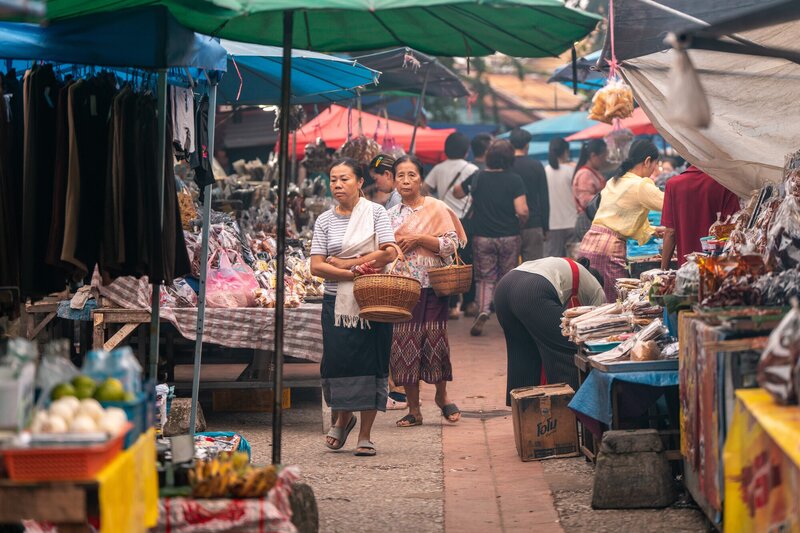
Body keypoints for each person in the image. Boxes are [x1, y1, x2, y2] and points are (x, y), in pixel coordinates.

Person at [310, 158, 398, 457]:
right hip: (337, 302)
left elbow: (388, 253)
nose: (337, 185)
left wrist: (350, 264)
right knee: (339, 363)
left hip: (373, 300)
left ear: (360, 182)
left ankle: (365, 434)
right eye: (333, 179)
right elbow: (316, 266)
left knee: (371, 363)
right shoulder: (324, 220)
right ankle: (342, 419)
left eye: (344, 179)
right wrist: (353, 275)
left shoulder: (376, 213)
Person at [387, 155, 465, 427]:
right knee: (404, 344)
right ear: (394, 180)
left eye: (411, 175)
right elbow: (383, 251)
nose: (406, 180)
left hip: (433, 286)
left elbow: (451, 245)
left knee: (435, 341)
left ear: (421, 179)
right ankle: (413, 409)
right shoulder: (389, 215)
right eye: (400, 175)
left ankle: (442, 398)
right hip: (402, 290)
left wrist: (420, 239)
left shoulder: (437, 207)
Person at [495, 257, 605, 405]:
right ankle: (569, 411)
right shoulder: (594, 284)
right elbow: (603, 322)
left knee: (524, 352)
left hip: (504, 288)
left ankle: (527, 413)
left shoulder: (559, 266)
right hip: (531, 290)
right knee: (567, 349)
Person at [454, 140, 528, 336]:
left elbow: (457, 192)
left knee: (485, 278)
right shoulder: (515, 179)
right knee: (508, 277)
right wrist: (521, 222)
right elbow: (522, 210)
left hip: (483, 235)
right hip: (509, 235)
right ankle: (509, 316)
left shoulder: (478, 177)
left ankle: (483, 310)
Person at [578, 140, 664, 302]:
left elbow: (619, 216)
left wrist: (653, 230)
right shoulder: (640, 185)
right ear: (647, 161)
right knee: (616, 301)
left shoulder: (615, 180)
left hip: (589, 243)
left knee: (592, 302)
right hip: (608, 249)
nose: (655, 169)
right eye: (655, 164)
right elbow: (670, 203)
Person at [660, 166, 740, 269]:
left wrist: (663, 270)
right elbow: (735, 227)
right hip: (718, 269)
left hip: (686, 269)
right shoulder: (725, 184)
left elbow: (670, 232)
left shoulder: (673, 185)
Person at [509, 128, 549, 262]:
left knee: (510, 269)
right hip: (533, 223)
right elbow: (544, 198)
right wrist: (545, 227)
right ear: (527, 145)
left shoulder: (506, 166)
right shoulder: (537, 166)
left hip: (510, 225)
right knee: (534, 268)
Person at [424, 132, 478, 218]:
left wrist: (437, 203)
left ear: (445, 150)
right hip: (464, 219)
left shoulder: (438, 168)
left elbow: (422, 190)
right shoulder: (473, 169)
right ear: (466, 152)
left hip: (444, 218)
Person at [544, 138, 577, 257]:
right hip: (572, 222)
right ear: (565, 152)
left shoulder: (545, 171)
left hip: (552, 225)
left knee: (554, 262)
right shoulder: (572, 170)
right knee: (574, 262)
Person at [572, 139, 609, 240]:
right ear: (593, 156)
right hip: (587, 221)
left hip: (594, 219)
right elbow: (585, 200)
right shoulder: (585, 174)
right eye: (603, 156)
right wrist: (608, 198)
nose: (605, 160)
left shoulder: (594, 172)